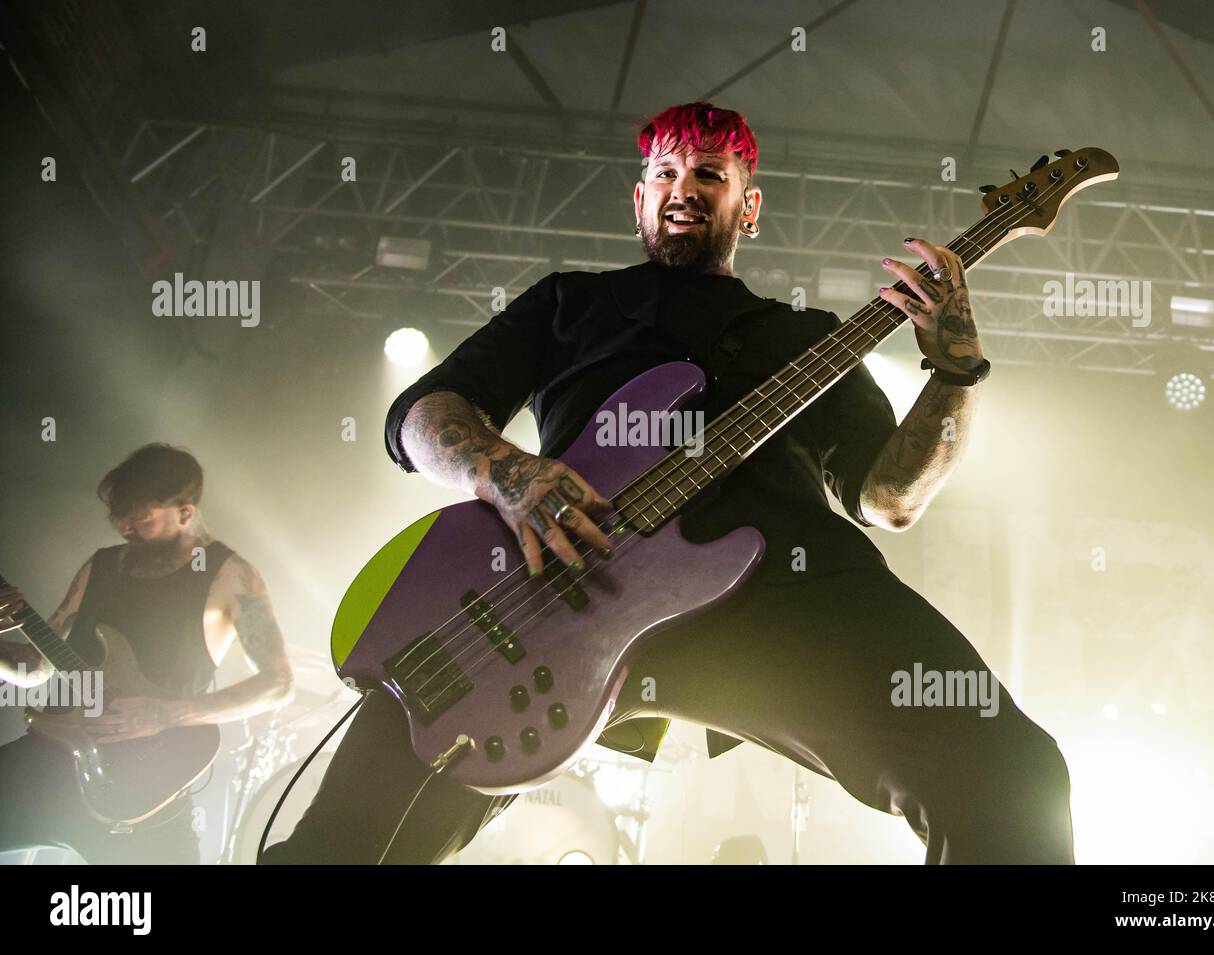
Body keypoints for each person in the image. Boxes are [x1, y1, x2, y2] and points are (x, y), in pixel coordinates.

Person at [263, 102, 1074, 864]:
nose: (683, 189)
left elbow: (890, 496)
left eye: (711, 175)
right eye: (665, 174)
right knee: (343, 843)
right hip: (565, 599)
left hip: (788, 602)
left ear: (748, 208)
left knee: (1012, 776)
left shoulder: (807, 338)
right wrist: (510, 475)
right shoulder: (571, 305)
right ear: (640, 199)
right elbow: (419, 416)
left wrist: (956, 368)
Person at [0, 443, 295, 863]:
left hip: (141, 783)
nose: (125, 527)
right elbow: (36, 668)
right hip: (47, 762)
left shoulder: (229, 575)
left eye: (140, 518)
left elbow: (278, 684)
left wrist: (166, 713)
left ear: (185, 512)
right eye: (119, 517)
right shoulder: (99, 566)